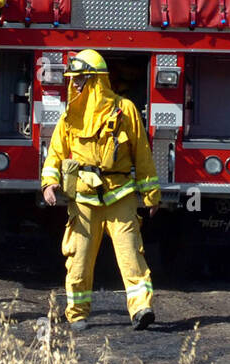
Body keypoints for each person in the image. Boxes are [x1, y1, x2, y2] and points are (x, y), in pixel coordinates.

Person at [40, 49, 160, 332]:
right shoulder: (71, 115)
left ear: (96, 81)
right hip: (82, 198)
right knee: (78, 259)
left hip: (119, 195)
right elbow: (56, 151)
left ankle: (141, 308)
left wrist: (151, 194)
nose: (75, 85)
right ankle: (77, 313)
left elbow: (142, 154)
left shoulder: (125, 110)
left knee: (132, 255)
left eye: (80, 80)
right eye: (74, 80)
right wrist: (49, 182)